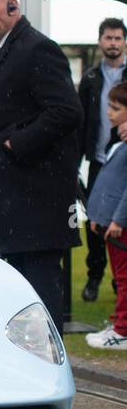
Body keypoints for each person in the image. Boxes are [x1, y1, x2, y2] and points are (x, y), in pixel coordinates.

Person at [0, 0, 83, 323]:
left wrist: (15, 143)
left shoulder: (37, 47)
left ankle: (51, 369)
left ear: (12, 4)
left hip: (35, 199)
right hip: (13, 199)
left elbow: (67, 111)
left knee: (39, 294)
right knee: (16, 297)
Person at [77, 17, 125, 302]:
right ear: (100, 41)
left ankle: (123, 285)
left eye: (118, 38)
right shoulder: (91, 78)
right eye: (109, 38)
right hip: (99, 159)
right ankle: (95, 275)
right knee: (95, 219)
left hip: (126, 158)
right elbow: (80, 120)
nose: (113, 43)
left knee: (123, 219)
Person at [84, 82, 127, 349]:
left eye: (116, 108)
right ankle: (119, 322)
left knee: (123, 278)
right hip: (110, 222)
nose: (109, 112)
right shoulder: (118, 142)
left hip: (119, 225)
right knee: (120, 276)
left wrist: (118, 220)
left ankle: (122, 331)